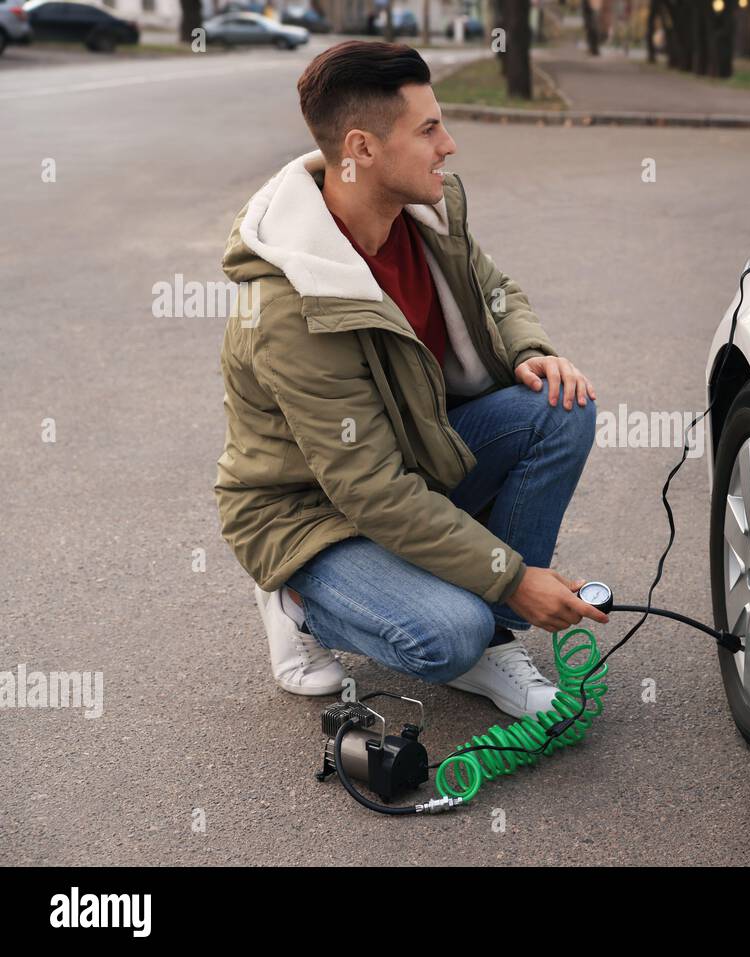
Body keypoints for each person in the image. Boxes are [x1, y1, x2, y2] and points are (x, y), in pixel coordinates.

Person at [213, 40, 608, 718]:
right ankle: (298, 601)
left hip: (414, 451)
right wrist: (514, 579)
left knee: (559, 408)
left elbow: (494, 288)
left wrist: (528, 348)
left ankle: (493, 638)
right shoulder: (291, 306)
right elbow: (369, 489)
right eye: (429, 129)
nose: (448, 144)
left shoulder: (424, 212)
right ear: (362, 149)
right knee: (447, 634)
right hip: (315, 514)